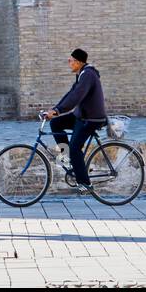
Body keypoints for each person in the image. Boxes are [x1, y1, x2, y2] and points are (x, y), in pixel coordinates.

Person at [43, 48, 106, 190]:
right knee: (56, 123)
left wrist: (58, 110)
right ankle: (67, 159)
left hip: (91, 119)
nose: (69, 63)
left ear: (78, 62)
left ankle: (85, 183)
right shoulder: (82, 74)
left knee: (75, 148)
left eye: (70, 60)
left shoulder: (88, 75)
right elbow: (70, 93)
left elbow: (77, 96)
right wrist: (55, 110)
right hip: (81, 116)